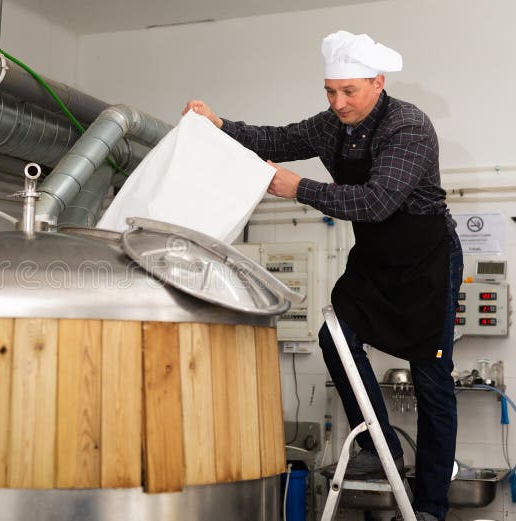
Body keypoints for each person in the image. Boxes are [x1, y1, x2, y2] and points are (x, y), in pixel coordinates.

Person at [183, 30, 462, 521]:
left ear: (377, 83)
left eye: (349, 91)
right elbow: (277, 138)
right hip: (375, 259)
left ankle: (433, 505)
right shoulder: (332, 124)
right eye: (330, 91)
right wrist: (218, 122)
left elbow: (376, 201)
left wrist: (296, 188)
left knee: (431, 381)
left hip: (427, 263)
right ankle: (380, 447)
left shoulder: (408, 126)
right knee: (334, 336)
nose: (338, 102)